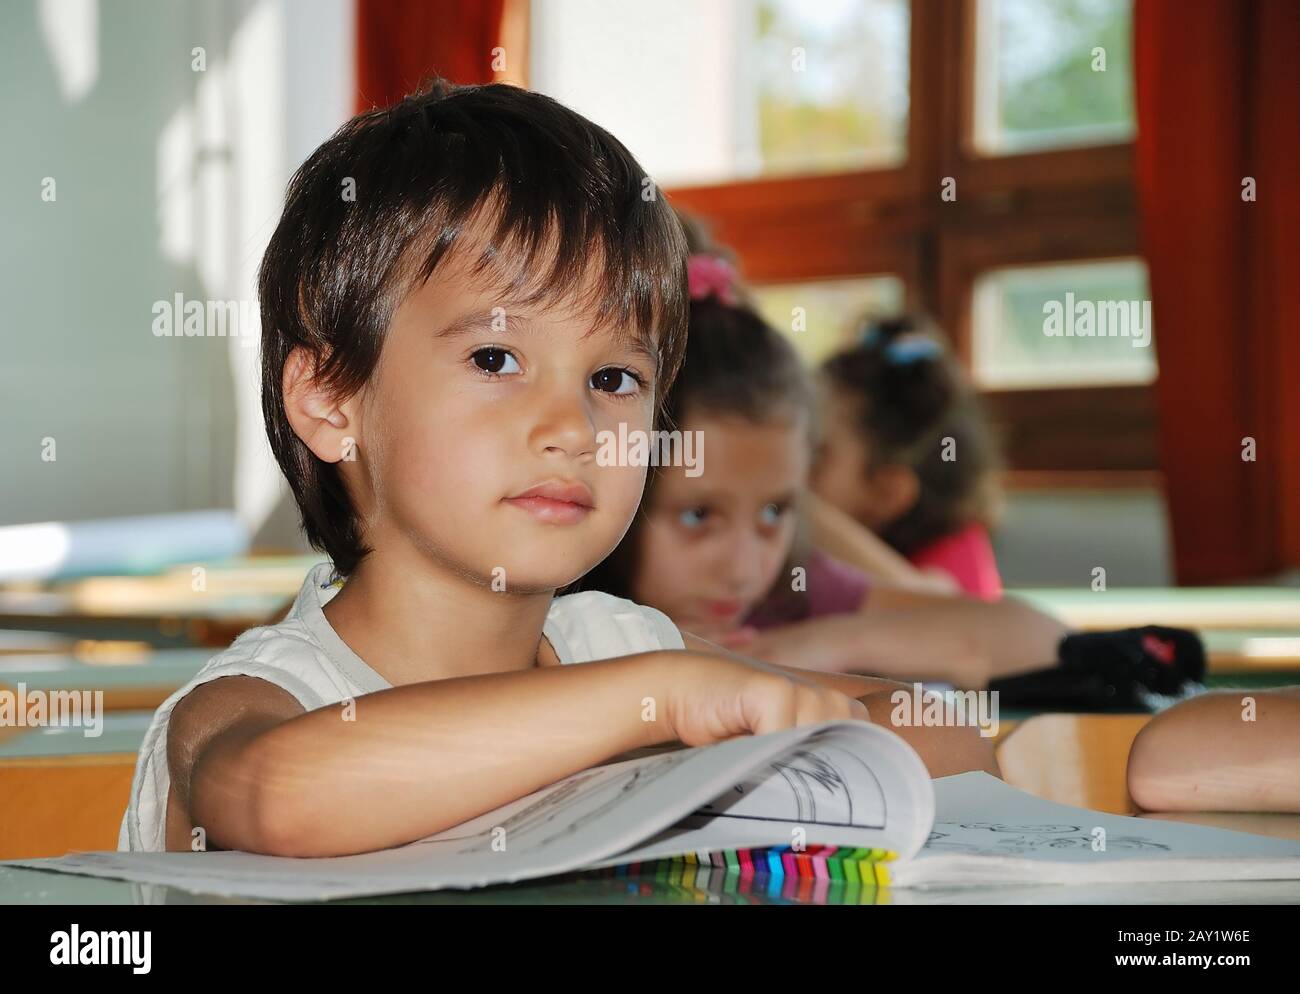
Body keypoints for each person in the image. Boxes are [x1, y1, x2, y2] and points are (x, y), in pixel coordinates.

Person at [119, 80, 998, 858]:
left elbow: (954, 740)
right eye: (496, 360)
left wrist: (760, 722)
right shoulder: (263, 696)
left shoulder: (617, 648)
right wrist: (659, 702)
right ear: (330, 401)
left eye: (613, 379)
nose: (573, 428)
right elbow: (276, 798)